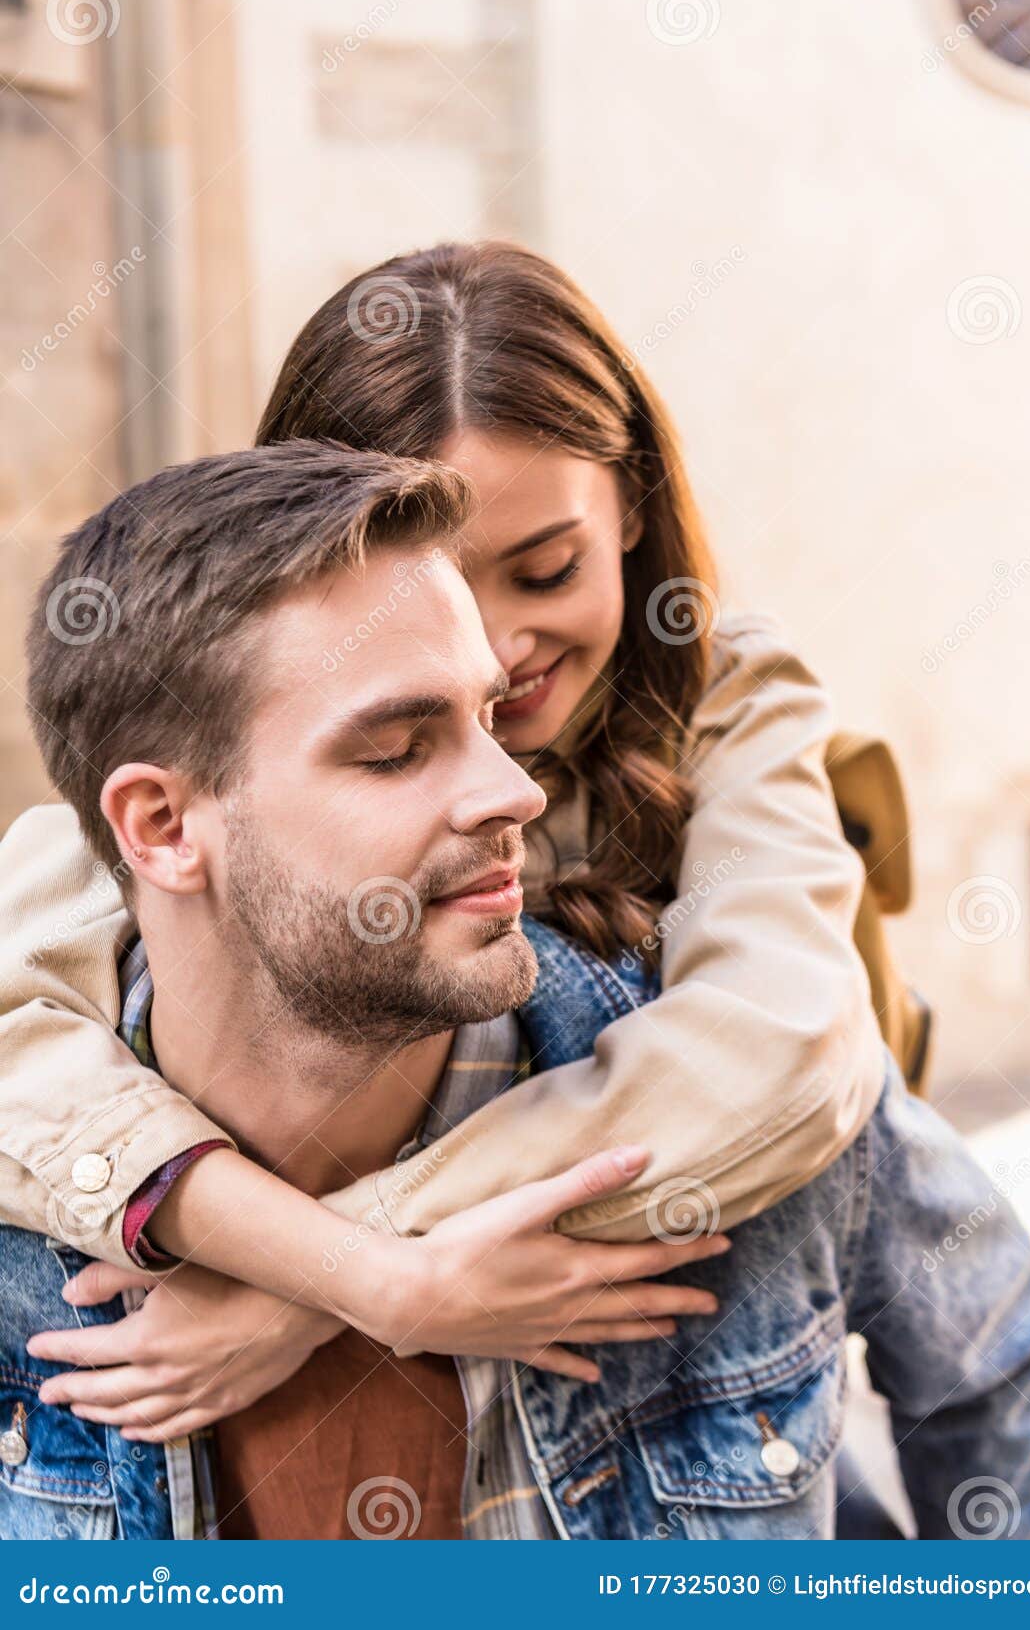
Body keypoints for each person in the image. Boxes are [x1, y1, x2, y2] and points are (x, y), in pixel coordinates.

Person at [3, 439, 1030, 1540]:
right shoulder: (27, 1214)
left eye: (493, 715)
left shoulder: (750, 1118)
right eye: (398, 750)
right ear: (165, 828)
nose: (514, 788)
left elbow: (999, 1356)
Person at [0, 244, 891, 1436]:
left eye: (545, 569)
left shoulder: (727, 697)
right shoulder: (214, 756)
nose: (498, 644)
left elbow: (786, 1047)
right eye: (417, 597)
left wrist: (325, 1280)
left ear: (628, 505)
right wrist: (360, 1275)